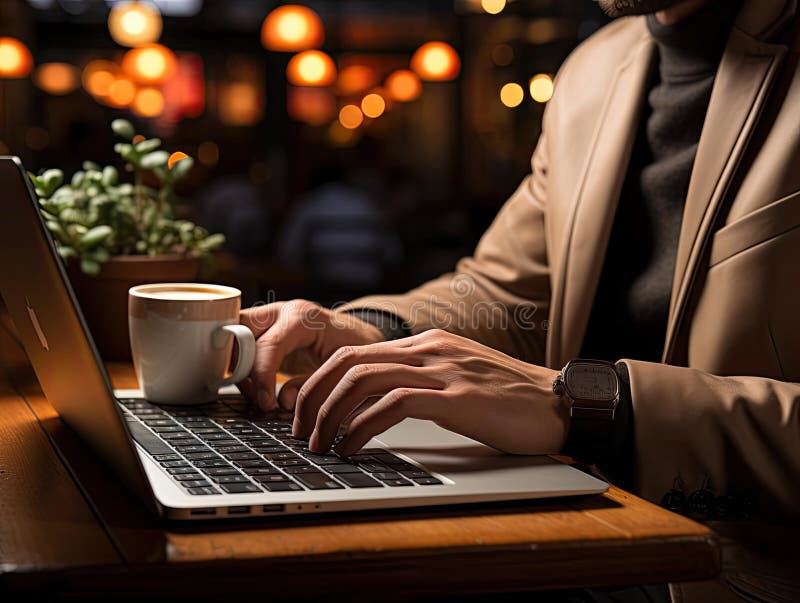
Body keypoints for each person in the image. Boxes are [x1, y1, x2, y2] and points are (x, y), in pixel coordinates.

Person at [239, 0, 800, 600]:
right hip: (578, 531)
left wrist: (590, 410)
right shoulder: (596, 65)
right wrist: (367, 330)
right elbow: (508, 292)